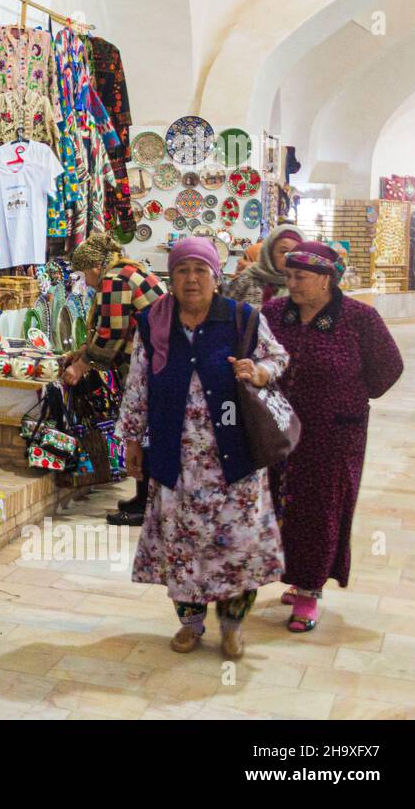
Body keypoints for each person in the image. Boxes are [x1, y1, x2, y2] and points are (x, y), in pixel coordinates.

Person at [119, 237, 289, 658]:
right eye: (181, 271)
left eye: (200, 270)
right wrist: (132, 439)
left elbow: (278, 357)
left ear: (216, 276)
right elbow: (138, 384)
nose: (191, 279)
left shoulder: (241, 319)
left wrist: (261, 372)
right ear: (170, 278)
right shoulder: (154, 322)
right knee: (183, 547)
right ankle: (190, 625)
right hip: (176, 461)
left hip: (234, 461)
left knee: (236, 547)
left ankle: (231, 626)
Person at [261, 241, 404, 633]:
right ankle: (294, 574)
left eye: (300, 277)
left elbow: (389, 367)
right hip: (278, 431)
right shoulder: (274, 313)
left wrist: (352, 396)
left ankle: (309, 590)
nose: (291, 283)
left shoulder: (359, 318)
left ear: (326, 279)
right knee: (279, 500)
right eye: (288, 275)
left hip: (334, 433)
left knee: (320, 508)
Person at [59, 233, 165, 526]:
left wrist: (82, 365)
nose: (88, 283)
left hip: (150, 363)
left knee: (144, 433)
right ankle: (142, 497)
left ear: (94, 267)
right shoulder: (129, 270)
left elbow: (111, 333)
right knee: (147, 432)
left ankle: (143, 505)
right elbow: (118, 326)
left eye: (84, 275)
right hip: (157, 360)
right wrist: (83, 351)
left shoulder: (115, 279)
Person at [224, 225, 301, 307]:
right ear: (269, 252)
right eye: (283, 251)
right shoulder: (246, 280)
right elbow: (225, 311)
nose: (288, 257)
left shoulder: (301, 286)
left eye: (294, 253)